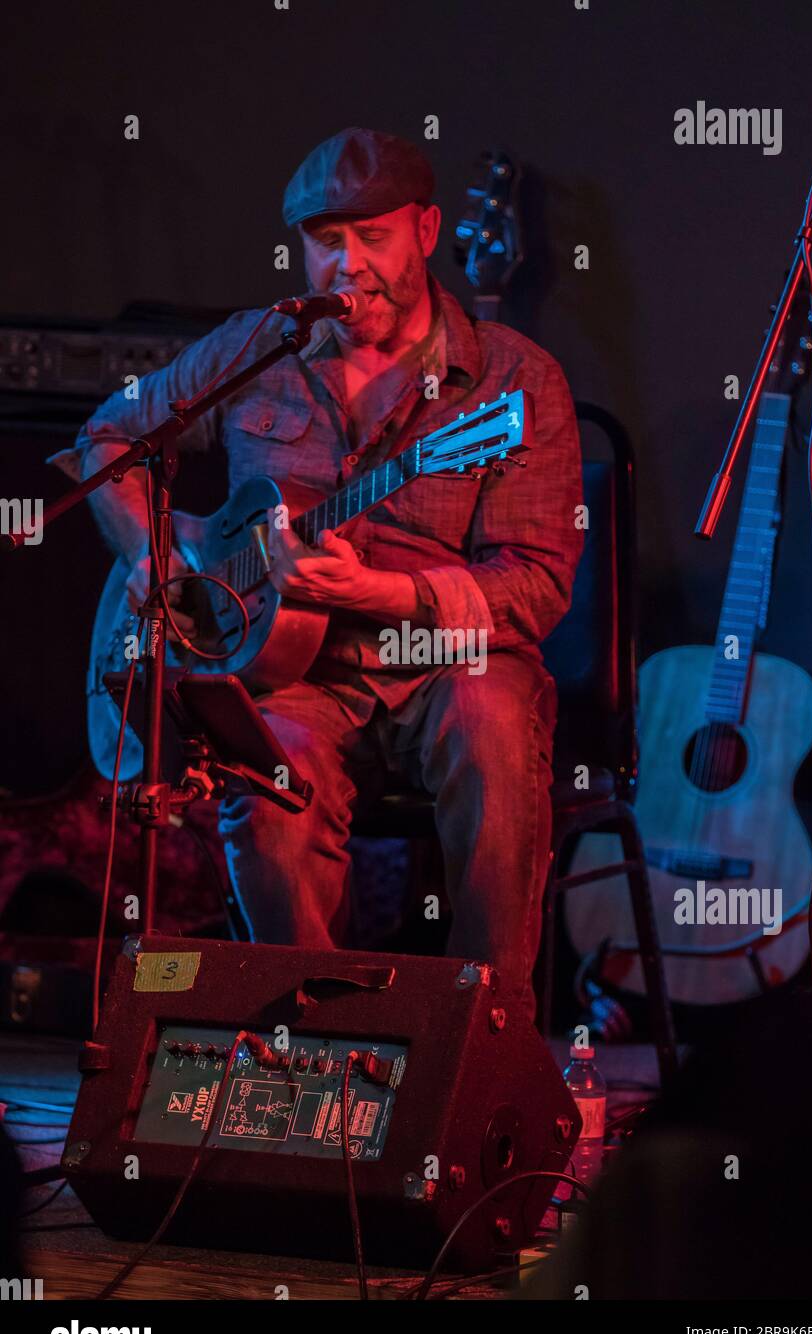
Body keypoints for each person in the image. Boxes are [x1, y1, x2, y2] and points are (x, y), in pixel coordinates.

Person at [65, 127, 583, 1019]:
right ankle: (318, 1039)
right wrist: (153, 557)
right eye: (325, 242)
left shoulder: (510, 379)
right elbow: (108, 438)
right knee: (266, 787)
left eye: (371, 238)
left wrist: (383, 596)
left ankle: (486, 1033)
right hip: (293, 667)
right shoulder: (261, 347)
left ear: (426, 230)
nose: (346, 267)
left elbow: (536, 583)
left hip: (448, 655)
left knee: (491, 720)